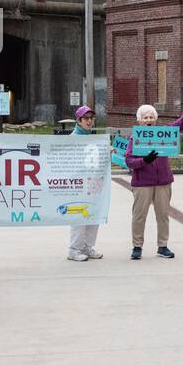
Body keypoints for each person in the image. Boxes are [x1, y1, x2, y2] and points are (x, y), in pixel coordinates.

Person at [125, 103, 183, 260]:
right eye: (145, 117)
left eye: (151, 117)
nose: (149, 120)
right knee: (139, 216)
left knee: (163, 215)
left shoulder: (162, 133)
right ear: (140, 120)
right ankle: (137, 246)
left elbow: (176, 127)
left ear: (155, 119)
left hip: (163, 181)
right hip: (142, 183)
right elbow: (129, 161)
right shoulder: (135, 137)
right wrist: (144, 161)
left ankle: (162, 246)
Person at [63, 106, 105, 261]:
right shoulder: (73, 139)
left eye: (91, 118)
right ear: (78, 121)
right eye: (86, 118)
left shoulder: (93, 138)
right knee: (79, 216)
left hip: (93, 182)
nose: (89, 121)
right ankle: (74, 249)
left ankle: (87, 246)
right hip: (79, 183)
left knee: (93, 214)